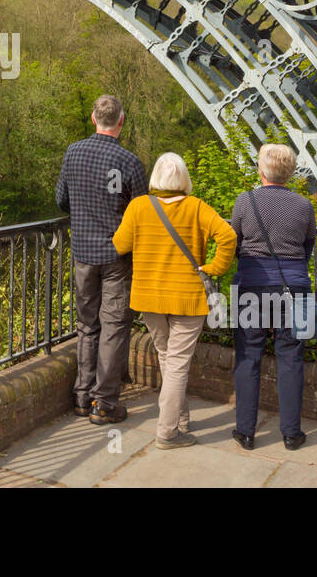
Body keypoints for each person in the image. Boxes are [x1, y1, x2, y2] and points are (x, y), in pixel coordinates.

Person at [112, 152, 235, 448]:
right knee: (177, 362)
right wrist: (215, 268)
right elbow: (228, 236)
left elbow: (120, 245)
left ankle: (179, 421)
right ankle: (168, 432)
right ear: (183, 179)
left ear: (156, 177)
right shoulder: (196, 208)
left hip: (149, 297)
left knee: (168, 358)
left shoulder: (138, 206)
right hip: (187, 297)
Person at [56, 95, 147, 425]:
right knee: (113, 326)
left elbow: (61, 199)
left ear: (94, 119)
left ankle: (82, 396)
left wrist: (84, 215)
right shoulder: (129, 161)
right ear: (121, 121)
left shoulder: (73, 152)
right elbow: (141, 213)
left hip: (83, 254)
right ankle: (105, 403)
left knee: (87, 324)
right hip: (117, 257)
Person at [229, 143, 317, 451]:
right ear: (290, 173)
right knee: (291, 358)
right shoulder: (304, 206)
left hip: (252, 286)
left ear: (261, 170)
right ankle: (292, 434)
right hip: (294, 288)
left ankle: (245, 431)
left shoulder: (245, 201)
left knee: (248, 355)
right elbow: (308, 247)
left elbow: (235, 242)